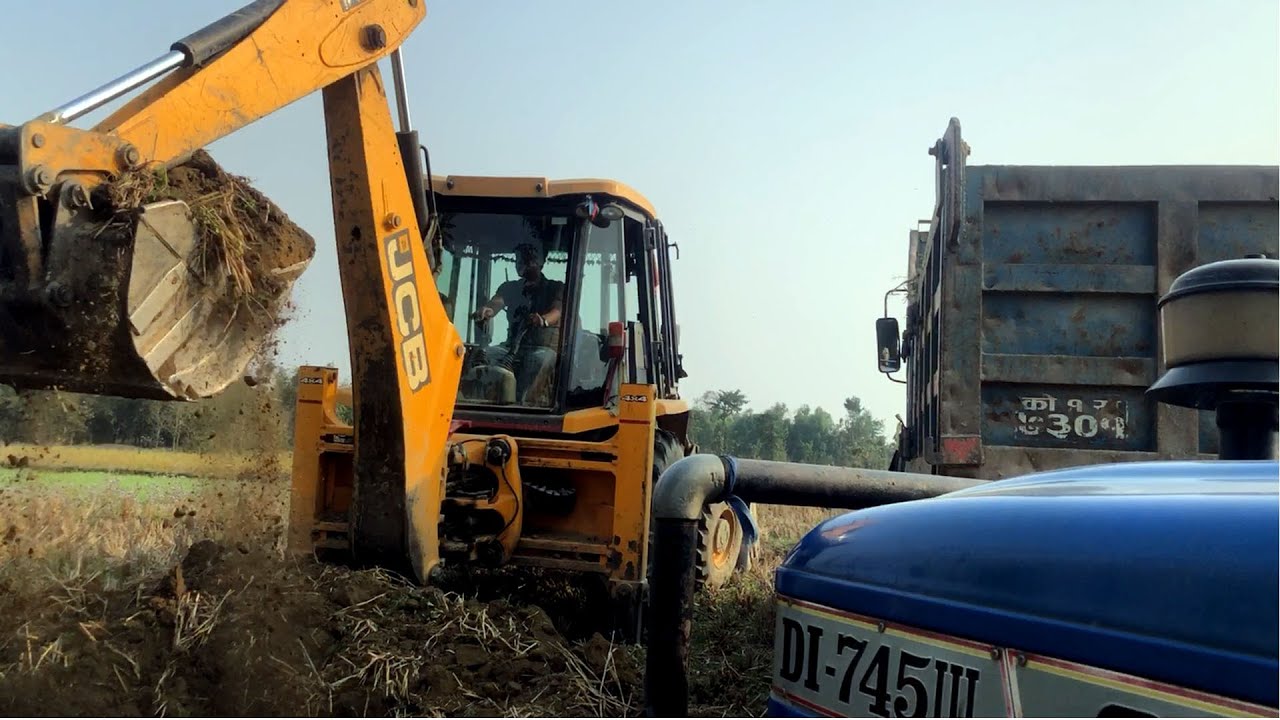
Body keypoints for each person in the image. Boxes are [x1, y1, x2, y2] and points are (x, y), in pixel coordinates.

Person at [472, 242, 564, 402]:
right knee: (483, 355)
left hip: (542, 347)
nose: (521, 264)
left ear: (541, 262)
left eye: (527, 260)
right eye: (518, 260)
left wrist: (543, 320)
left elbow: (556, 312)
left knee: (539, 360)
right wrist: (488, 310)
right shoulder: (510, 288)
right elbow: (497, 302)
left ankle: (523, 405)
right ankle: (477, 402)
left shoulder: (555, 288)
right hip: (511, 347)